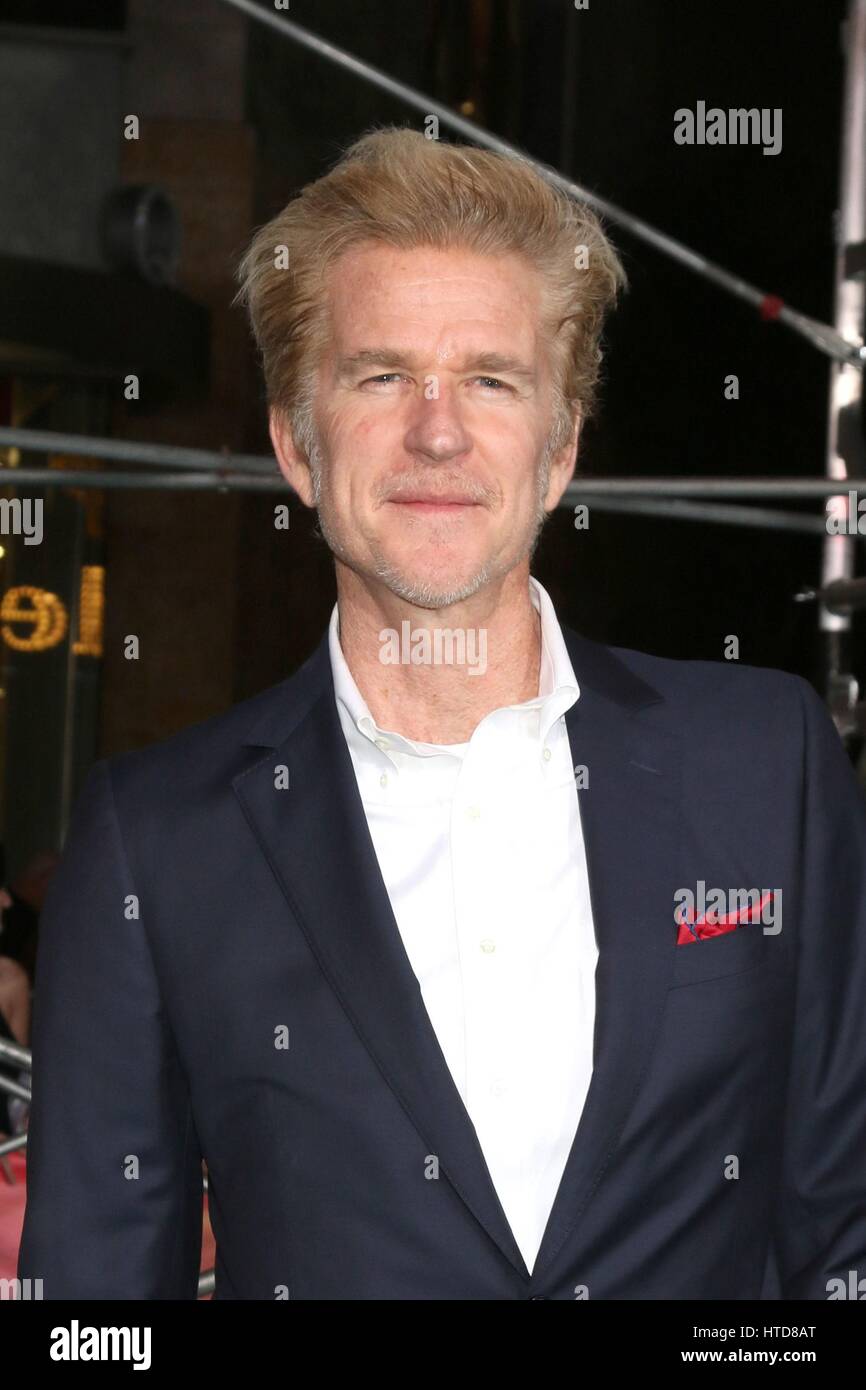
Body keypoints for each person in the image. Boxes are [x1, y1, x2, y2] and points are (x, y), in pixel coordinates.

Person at [18, 127, 866, 1299]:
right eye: (380, 376)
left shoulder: (764, 764)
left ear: (560, 447)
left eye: (490, 378)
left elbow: (843, 1229)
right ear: (294, 448)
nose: (436, 429)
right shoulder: (157, 842)